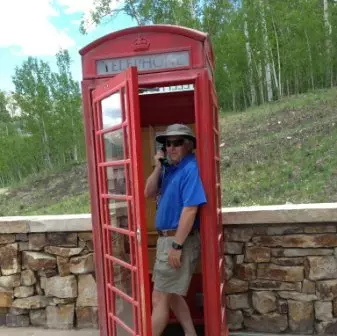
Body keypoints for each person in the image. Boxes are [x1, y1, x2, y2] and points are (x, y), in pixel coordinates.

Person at [144, 124, 207, 336]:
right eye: (167, 144)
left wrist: (177, 245)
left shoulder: (190, 168)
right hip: (167, 240)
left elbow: (190, 209)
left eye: (177, 143)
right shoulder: (170, 169)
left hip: (177, 240)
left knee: (159, 298)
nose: (171, 148)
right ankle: (191, 333)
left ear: (189, 145)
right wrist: (158, 166)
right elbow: (148, 192)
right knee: (171, 296)